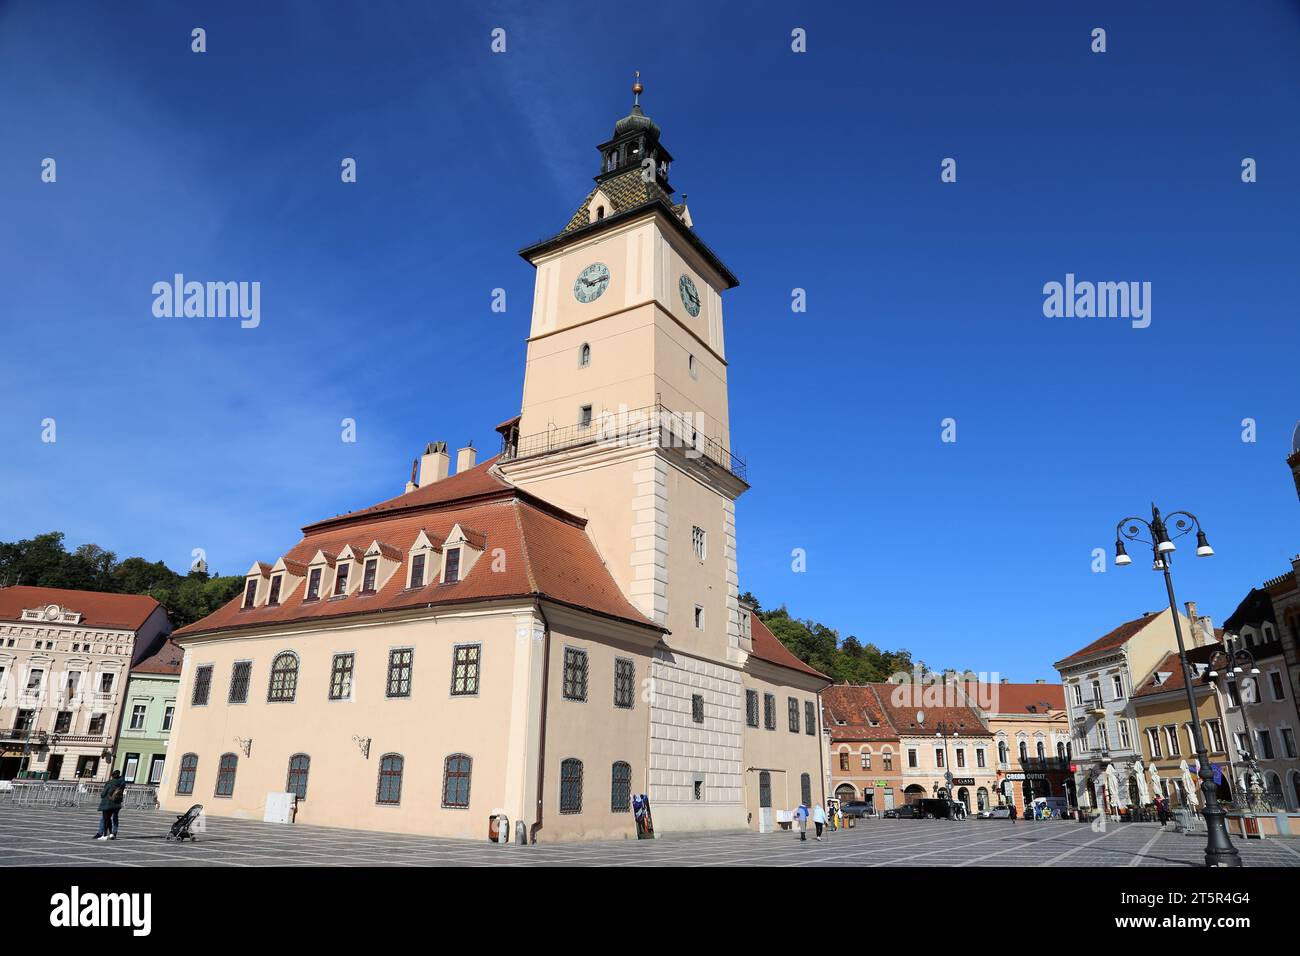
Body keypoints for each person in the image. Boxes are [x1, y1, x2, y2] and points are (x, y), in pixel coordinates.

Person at [94, 770, 126, 841]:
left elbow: (103, 794)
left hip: (108, 802)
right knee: (115, 818)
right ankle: (113, 833)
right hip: (117, 802)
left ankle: (101, 833)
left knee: (105, 818)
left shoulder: (110, 783)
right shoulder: (122, 782)